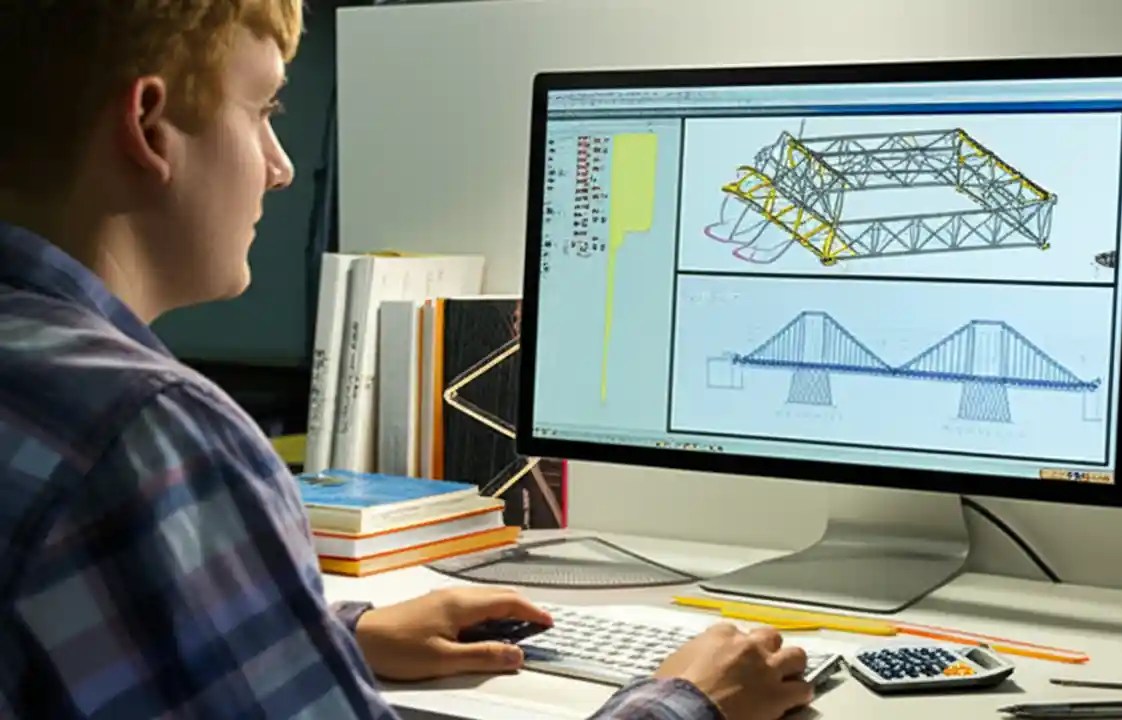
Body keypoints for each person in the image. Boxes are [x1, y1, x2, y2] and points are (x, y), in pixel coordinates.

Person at [0, 3, 816, 719]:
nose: (281, 166)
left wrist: (332, 628)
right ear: (148, 126)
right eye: (263, 109)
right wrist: (686, 702)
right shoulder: (147, 437)